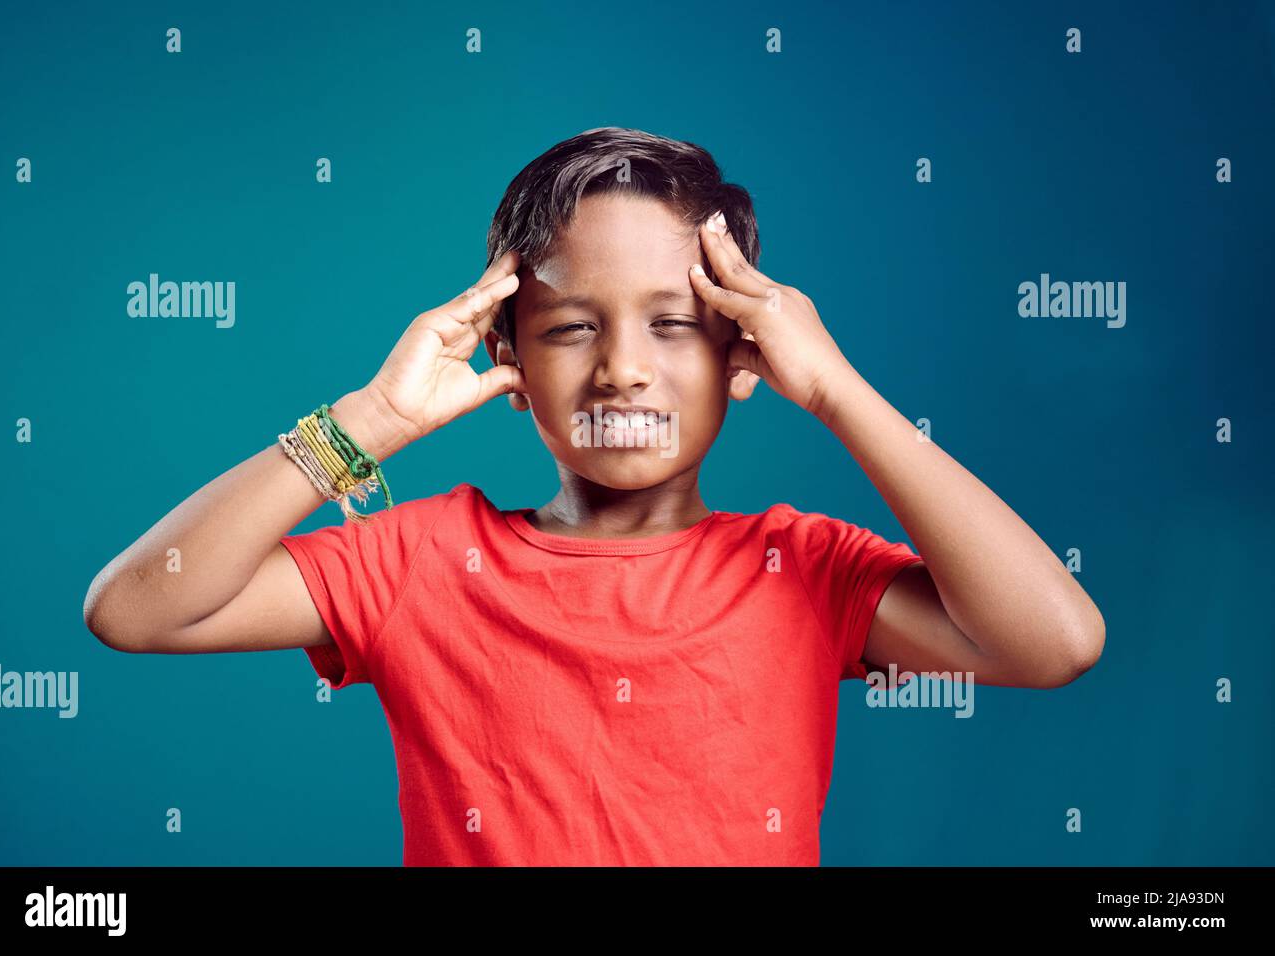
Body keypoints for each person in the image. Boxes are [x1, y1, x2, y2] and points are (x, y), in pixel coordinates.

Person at [83, 127, 1105, 866]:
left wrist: (836, 391)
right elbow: (135, 607)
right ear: (507, 354)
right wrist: (367, 424)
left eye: (671, 323)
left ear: (742, 354)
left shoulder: (804, 566)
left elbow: (1050, 640)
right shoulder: (418, 560)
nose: (622, 368)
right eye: (572, 327)